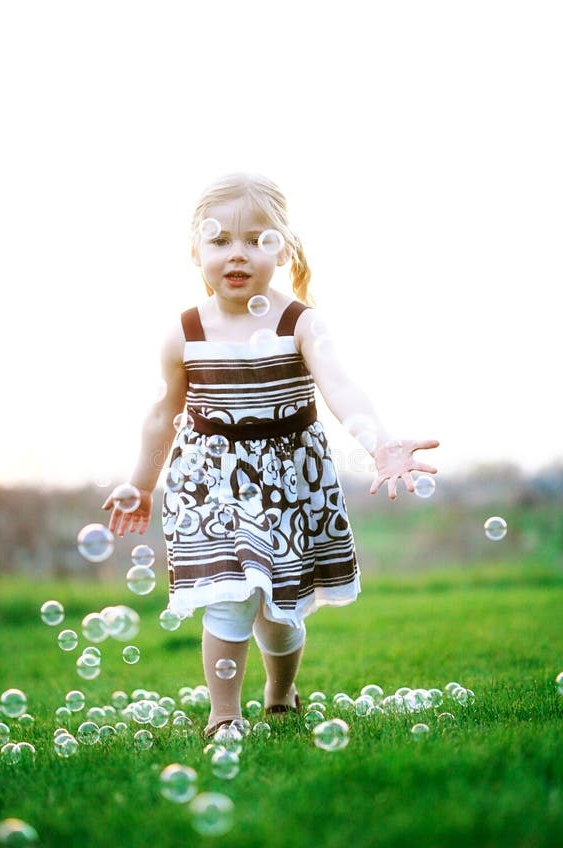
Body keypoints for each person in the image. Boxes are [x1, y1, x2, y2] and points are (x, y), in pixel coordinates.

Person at [103, 172, 439, 738]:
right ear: (196, 251)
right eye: (220, 240)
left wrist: (381, 444)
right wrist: (140, 482)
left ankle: (279, 693)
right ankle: (223, 715)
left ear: (281, 249)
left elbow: (340, 387)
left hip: (289, 482)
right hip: (211, 485)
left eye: (257, 239)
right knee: (228, 600)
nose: (238, 254)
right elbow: (164, 412)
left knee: (281, 614)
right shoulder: (184, 332)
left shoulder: (299, 322)